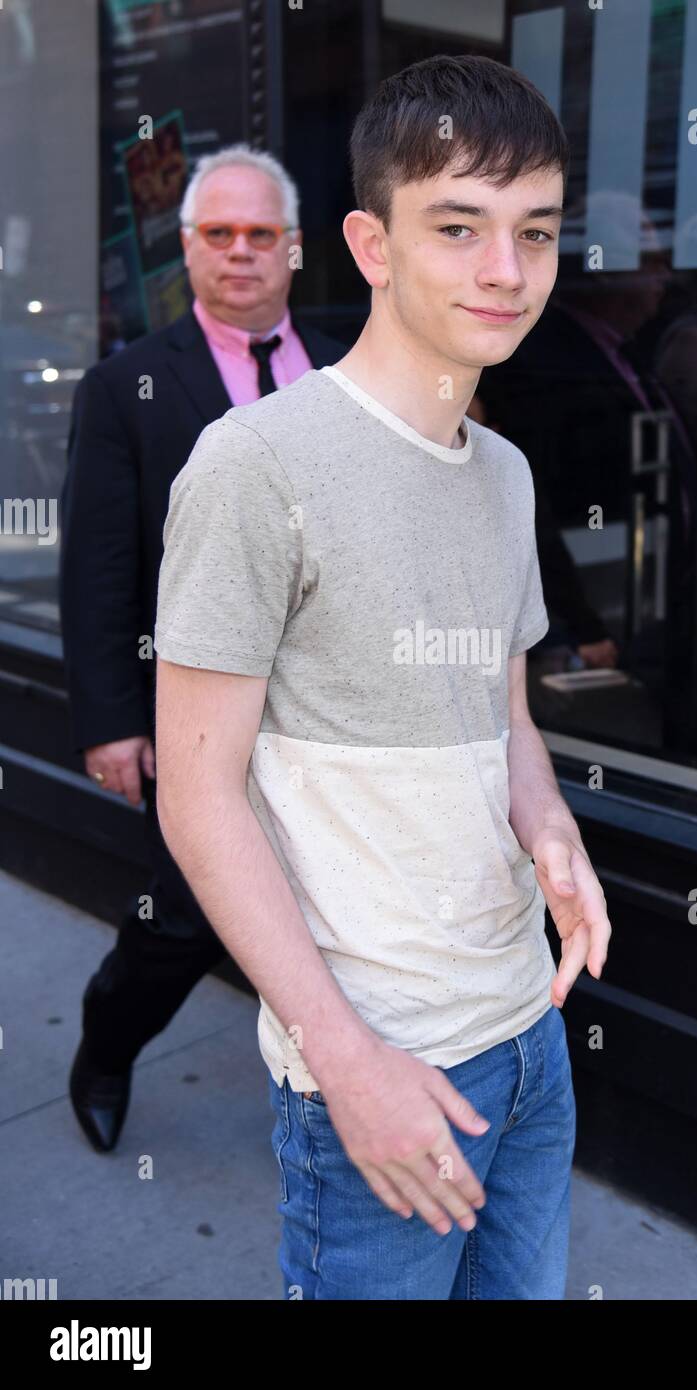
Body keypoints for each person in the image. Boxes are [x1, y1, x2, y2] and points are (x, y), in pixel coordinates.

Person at [153, 54, 612, 1300]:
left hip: (527, 1036)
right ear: (368, 244)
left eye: (533, 232)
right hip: (383, 1063)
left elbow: (505, 718)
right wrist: (346, 1063)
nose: (504, 272)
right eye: (457, 228)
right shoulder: (255, 465)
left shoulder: (505, 473)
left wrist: (550, 828)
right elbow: (194, 801)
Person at [60, 144, 348, 1153]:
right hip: (191, 717)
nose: (238, 253)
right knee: (181, 921)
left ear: (295, 247)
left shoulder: (350, 370)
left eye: (259, 234)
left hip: (333, 718)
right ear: (187, 248)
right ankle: (103, 1045)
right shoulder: (125, 386)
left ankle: (339, 1099)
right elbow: (98, 567)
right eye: (217, 235)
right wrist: (108, 722)